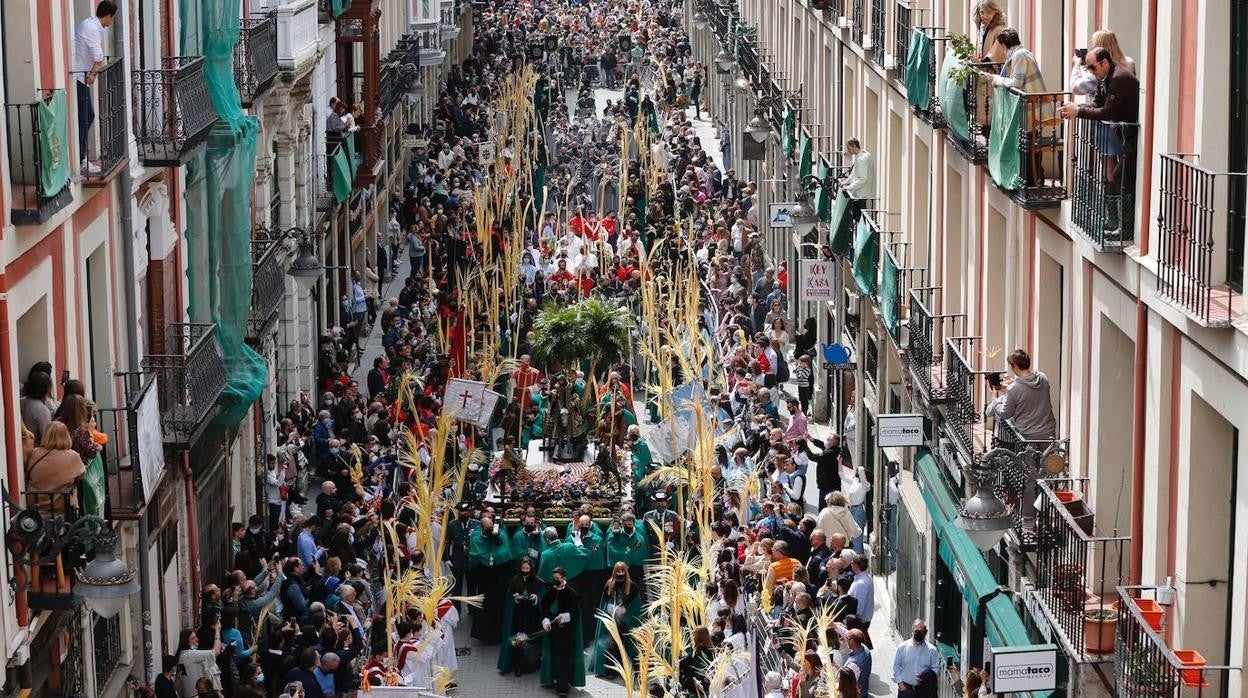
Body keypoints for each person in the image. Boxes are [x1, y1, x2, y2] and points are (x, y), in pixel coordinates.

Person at [1058, 47, 1141, 234]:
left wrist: (1078, 111)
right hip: (1124, 135)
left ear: (1104, 63)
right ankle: (1121, 225)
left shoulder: (1119, 78)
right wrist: (1077, 107)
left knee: (1120, 177)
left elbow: (1108, 111)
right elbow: (1097, 102)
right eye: (1087, 68)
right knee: (1118, 177)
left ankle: (1126, 228)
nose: (1090, 71)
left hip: (1132, 136)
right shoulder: (1105, 77)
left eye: (1092, 67)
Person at [985, 349, 1057, 528]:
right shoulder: (1043, 378)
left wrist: (996, 400)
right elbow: (1030, 395)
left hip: (1028, 438)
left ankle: (1028, 520)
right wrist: (1011, 390)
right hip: (1048, 434)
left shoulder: (1015, 389)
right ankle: (1045, 515)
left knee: (1029, 478)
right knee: (1047, 475)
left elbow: (1005, 413)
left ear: (1015, 366)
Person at [73, 1, 117, 174]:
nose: (112, 21)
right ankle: (81, 159)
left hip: (81, 77)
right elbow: (98, 57)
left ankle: (81, 156)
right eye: (112, 18)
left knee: (86, 116)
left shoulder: (92, 25)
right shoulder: (92, 28)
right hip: (79, 78)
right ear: (109, 16)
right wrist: (92, 74)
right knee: (85, 117)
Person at [539, 568, 584, 698]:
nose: (555, 581)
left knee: (563, 659)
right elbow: (544, 609)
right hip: (553, 632)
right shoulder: (550, 593)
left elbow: (575, 614)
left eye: (558, 578)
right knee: (554, 658)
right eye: (554, 578)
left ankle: (562, 687)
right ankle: (554, 680)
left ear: (564, 577)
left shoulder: (572, 594)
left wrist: (563, 617)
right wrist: (546, 620)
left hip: (566, 633)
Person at [590, 562, 641, 677]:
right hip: (612, 620)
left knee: (625, 644)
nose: (620, 573)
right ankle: (610, 671)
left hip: (625, 622)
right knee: (610, 644)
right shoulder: (609, 584)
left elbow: (636, 604)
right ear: (614, 572)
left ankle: (628, 670)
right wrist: (610, 608)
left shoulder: (632, 586)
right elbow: (605, 601)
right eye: (618, 571)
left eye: (622, 571)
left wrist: (625, 609)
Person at [25, 422, 88, 513]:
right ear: (66, 436)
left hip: (35, 504)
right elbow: (81, 475)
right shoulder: (72, 456)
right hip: (60, 507)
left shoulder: (34, 453)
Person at [498, 556, 544, 676]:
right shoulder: (514, 581)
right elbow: (509, 600)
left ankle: (532, 664)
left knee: (532, 639)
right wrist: (515, 599)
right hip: (518, 616)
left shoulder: (537, 581)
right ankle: (518, 665)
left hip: (532, 616)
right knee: (518, 641)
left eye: (527, 568)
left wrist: (536, 598)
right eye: (523, 568)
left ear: (531, 568)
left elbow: (542, 597)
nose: (525, 571)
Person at [1068, 30, 1136, 96]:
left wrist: (1076, 64)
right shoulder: (1129, 62)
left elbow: (1075, 88)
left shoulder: (1099, 70)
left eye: (1094, 44)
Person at [894, 619, 943, 698]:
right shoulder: (902, 647)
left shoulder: (932, 650)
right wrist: (900, 684)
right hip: (906, 689)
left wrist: (926, 676)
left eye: (921, 631)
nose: (918, 634)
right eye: (916, 631)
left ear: (925, 632)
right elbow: (896, 666)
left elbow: (936, 669)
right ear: (912, 631)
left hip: (924, 691)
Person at [175, 625, 222, 698]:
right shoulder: (190, 654)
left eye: (196, 637)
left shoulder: (182, 655)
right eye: (193, 638)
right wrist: (217, 631)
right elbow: (216, 652)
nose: (197, 639)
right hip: (197, 694)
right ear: (186, 642)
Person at [842, 139, 875, 221]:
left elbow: (862, 179)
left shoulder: (861, 159)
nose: (848, 151)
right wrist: (845, 182)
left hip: (862, 196)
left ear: (854, 146)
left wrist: (848, 187)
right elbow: (853, 174)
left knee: (860, 219)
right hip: (862, 194)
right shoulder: (861, 156)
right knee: (858, 219)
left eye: (849, 148)